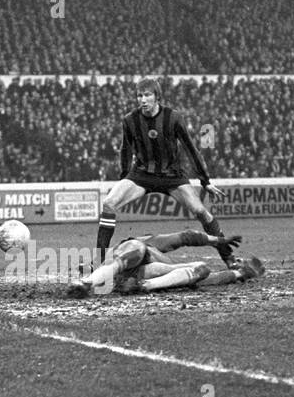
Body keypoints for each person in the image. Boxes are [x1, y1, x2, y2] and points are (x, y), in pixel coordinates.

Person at [95, 78, 237, 268]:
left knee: (201, 211)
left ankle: (229, 258)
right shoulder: (130, 120)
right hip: (142, 175)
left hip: (172, 176)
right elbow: (125, 150)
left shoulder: (173, 117)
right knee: (109, 204)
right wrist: (123, 179)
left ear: (157, 97)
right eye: (139, 95)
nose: (142, 100)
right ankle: (99, 261)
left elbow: (191, 148)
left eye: (147, 95)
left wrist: (205, 181)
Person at [68, 230, 264, 298]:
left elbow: (210, 278)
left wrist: (239, 274)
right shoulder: (146, 242)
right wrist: (218, 241)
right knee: (136, 248)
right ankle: (88, 282)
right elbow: (187, 236)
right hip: (127, 263)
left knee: (202, 269)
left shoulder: (156, 260)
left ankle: (143, 286)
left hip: (143, 274)